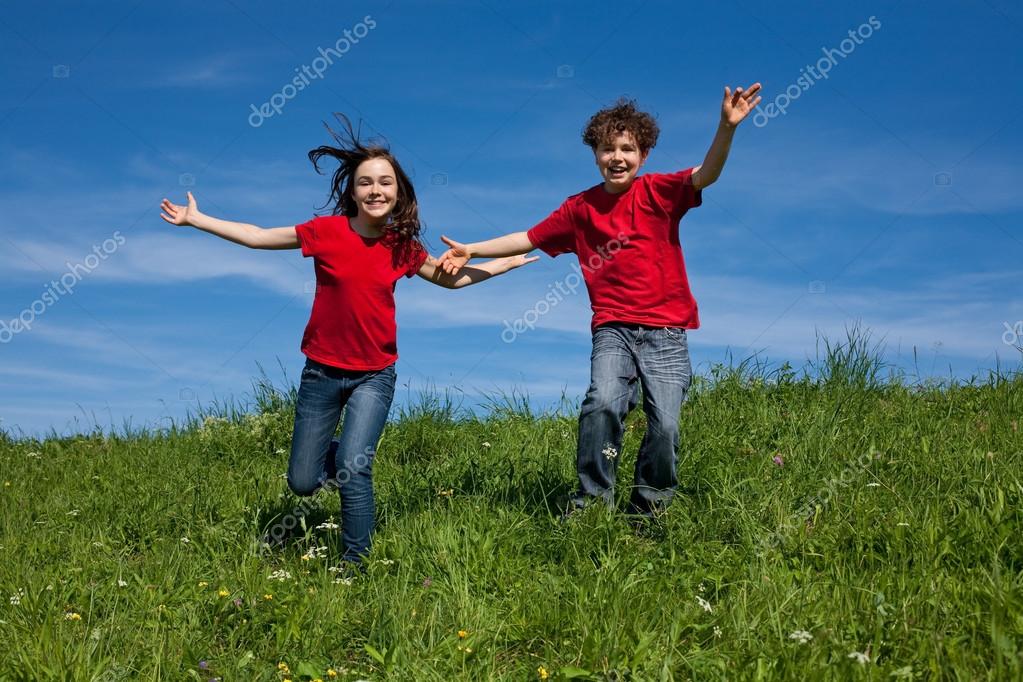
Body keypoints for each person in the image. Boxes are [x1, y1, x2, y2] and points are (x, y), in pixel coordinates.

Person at [160, 114, 536, 562]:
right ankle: (338, 453)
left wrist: (507, 263)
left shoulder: (403, 246)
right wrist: (198, 219)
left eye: (385, 183)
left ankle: (355, 565)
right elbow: (258, 237)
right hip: (320, 372)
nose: (376, 190)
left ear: (398, 192)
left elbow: (451, 280)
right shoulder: (327, 232)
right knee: (302, 481)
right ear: (352, 191)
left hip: (374, 375)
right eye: (366, 183)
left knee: (356, 470)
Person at [437, 85, 762, 517]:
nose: (617, 157)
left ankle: (649, 508)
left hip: (667, 332)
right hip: (613, 330)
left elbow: (707, 174)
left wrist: (726, 127)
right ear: (595, 155)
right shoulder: (579, 209)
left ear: (643, 155)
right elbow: (527, 237)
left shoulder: (660, 193)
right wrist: (472, 249)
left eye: (627, 149)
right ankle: (592, 504)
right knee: (602, 404)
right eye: (608, 149)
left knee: (665, 424)